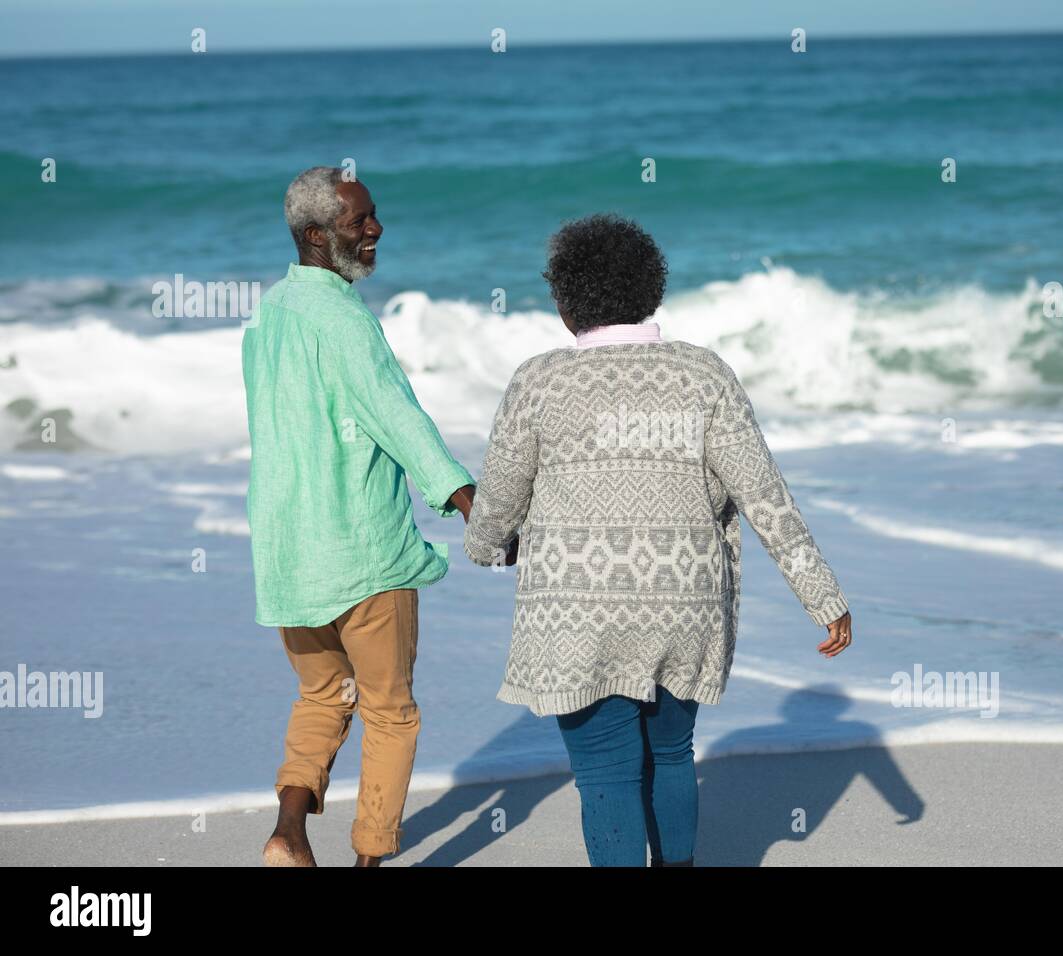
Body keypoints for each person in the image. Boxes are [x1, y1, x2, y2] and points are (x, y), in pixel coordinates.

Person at [463, 213, 852, 866]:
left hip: (577, 613)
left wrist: (488, 545)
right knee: (672, 753)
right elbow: (764, 496)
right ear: (653, 292)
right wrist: (823, 595)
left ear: (564, 304)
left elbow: (498, 505)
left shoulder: (537, 380)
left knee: (605, 773)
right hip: (683, 605)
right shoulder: (705, 375)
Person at [242, 166, 476, 867]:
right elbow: (397, 417)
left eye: (374, 214)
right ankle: (371, 858)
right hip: (363, 554)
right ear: (316, 237)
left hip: (288, 552)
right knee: (389, 710)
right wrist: (465, 498)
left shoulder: (268, 315)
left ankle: (289, 831)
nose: (375, 229)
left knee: (321, 693)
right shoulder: (345, 321)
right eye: (357, 221)